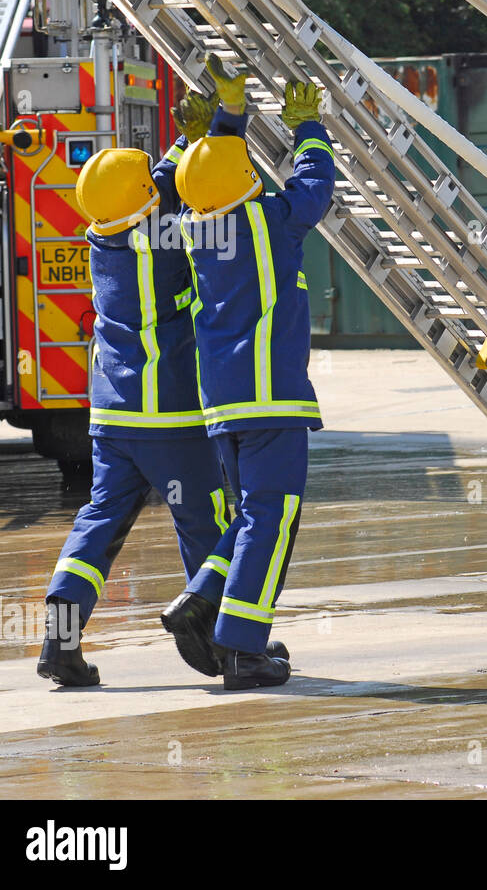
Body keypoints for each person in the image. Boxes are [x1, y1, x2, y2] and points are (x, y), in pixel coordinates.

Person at [37, 90, 229, 686]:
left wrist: (180, 146)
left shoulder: (103, 236)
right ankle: (212, 633)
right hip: (170, 415)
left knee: (98, 524)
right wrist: (215, 132)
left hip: (113, 418)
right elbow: (173, 194)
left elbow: (149, 193)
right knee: (207, 523)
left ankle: (58, 644)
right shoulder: (162, 237)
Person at [168, 58, 333, 689]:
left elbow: (208, 175)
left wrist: (224, 121)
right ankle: (241, 647)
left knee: (253, 512)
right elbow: (314, 184)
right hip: (272, 398)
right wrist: (309, 127)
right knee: (274, 514)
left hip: (223, 404)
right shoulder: (269, 219)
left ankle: (202, 601)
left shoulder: (191, 226)